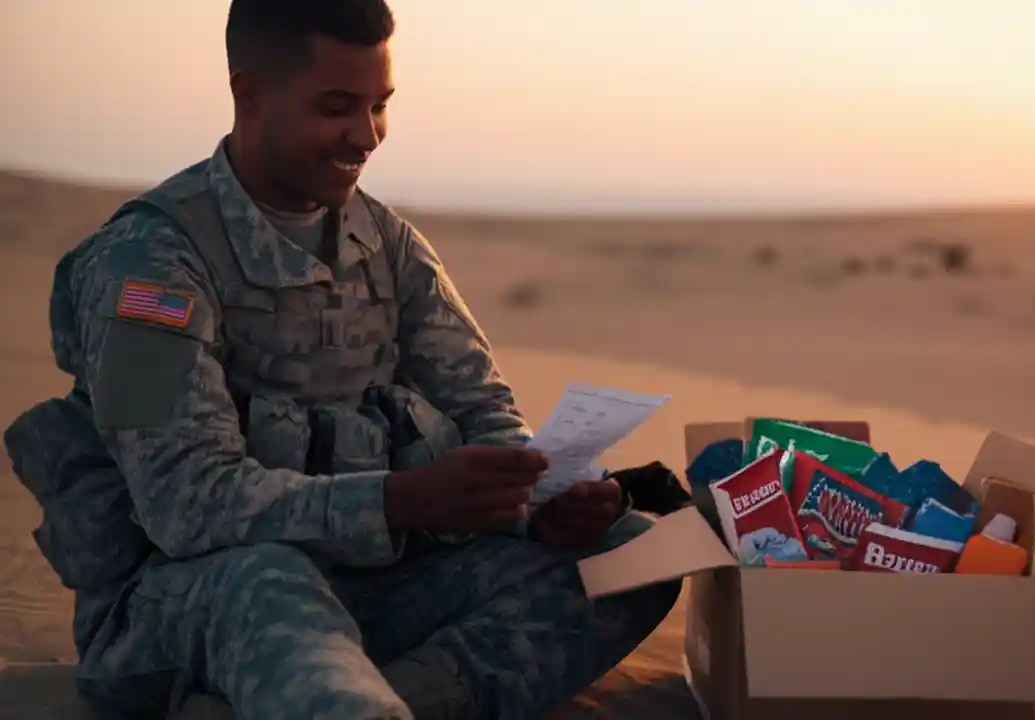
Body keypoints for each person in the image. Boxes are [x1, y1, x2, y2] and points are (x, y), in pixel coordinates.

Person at [2, 1, 680, 718]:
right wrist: (400, 500)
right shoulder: (148, 267)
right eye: (336, 107)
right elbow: (185, 505)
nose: (367, 135)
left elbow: (486, 415)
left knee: (630, 556)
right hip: (195, 606)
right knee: (267, 581)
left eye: (380, 106)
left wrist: (542, 502)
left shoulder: (389, 248)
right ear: (249, 93)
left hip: (376, 584)